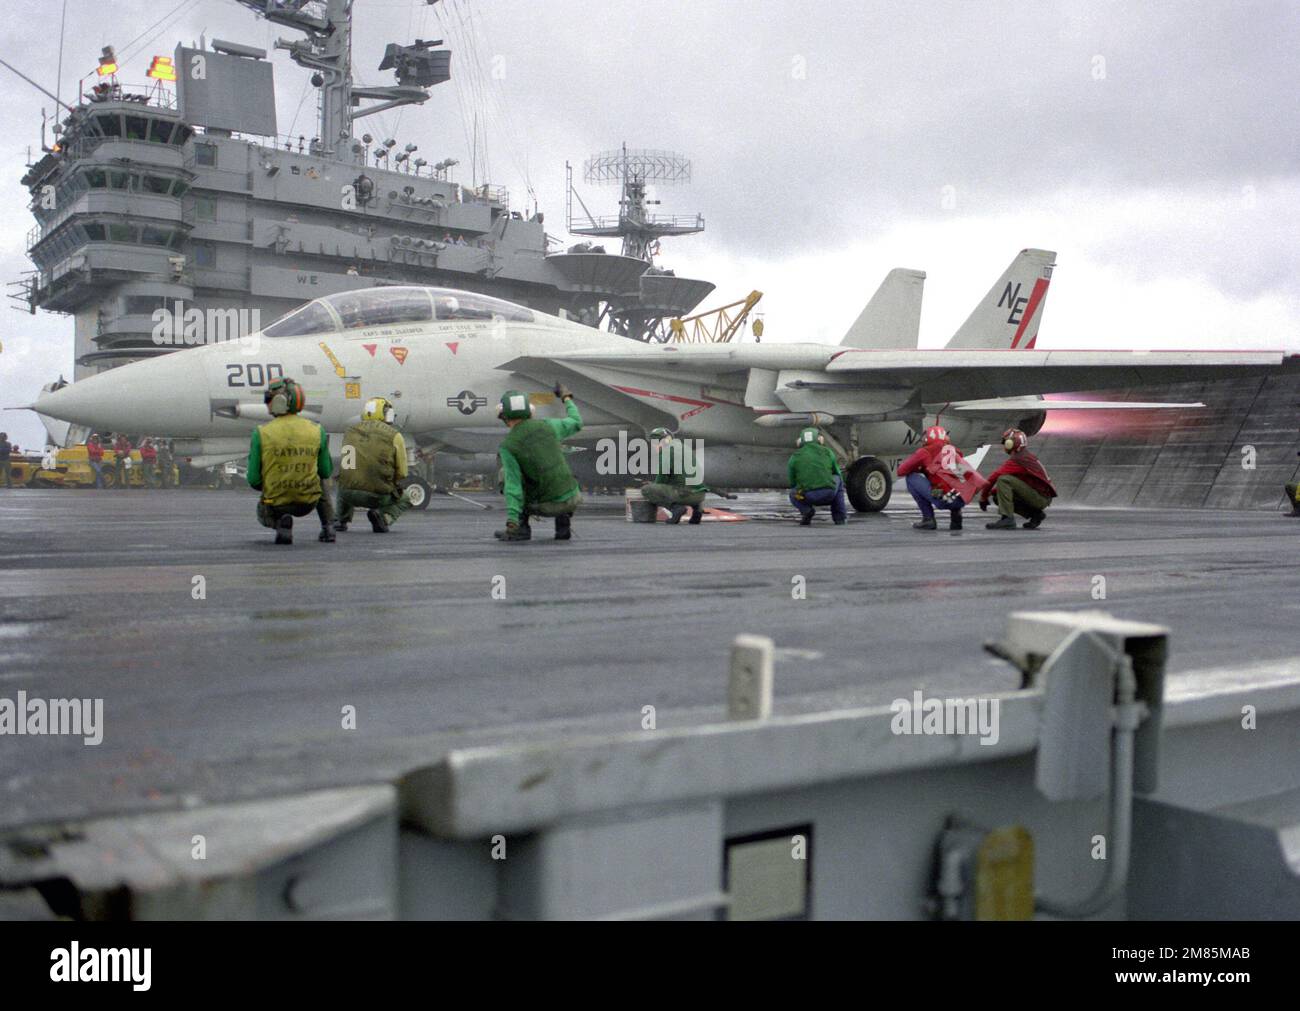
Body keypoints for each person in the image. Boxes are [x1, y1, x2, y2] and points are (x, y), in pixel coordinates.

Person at [246, 377, 335, 544]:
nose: (267, 404)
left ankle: (280, 523)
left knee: (264, 505)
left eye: (268, 399)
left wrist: (271, 484)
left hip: (276, 503)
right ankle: (328, 527)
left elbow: (253, 479)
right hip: (308, 503)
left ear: (279, 401)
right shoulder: (317, 430)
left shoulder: (261, 432)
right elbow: (325, 471)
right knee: (319, 481)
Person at [495, 384, 582, 542]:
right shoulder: (549, 425)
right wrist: (566, 398)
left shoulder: (508, 446)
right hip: (572, 500)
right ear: (530, 410)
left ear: (504, 416)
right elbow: (577, 422)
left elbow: (513, 487)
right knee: (558, 465)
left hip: (544, 506)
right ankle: (563, 526)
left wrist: (512, 521)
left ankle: (520, 529)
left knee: (504, 474)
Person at [335, 397, 411, 533]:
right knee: (406, 497)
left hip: (348, 494)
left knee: (345, 482)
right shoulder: (395, 435)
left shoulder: (350, 431)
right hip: (376, 496)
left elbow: (345, 467)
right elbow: (403, 473)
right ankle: (384, 519)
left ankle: (339, 520)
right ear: (384, 413)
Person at [897, 425, 984, 531]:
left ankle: (928, 519)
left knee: (911, 478)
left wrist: (919, 468)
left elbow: (901, 471)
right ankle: (956, 516)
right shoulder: (954, 451)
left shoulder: (925, 452)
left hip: (943, 499)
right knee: (953, 482)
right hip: (961, 500)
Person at [979, 428, 1058, 530]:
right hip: (1041, 497)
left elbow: (994, 477)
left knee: (1003, 479)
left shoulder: (1018, 459)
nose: (1004, 445)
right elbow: (1022, 482)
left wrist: (983, 497)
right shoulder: (1023, 456)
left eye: (1005, 442)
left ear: (1011, 443)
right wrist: (993, 492)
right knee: (997, 495)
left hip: (1040, 498)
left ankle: (1007, 519)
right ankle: (1036, 515)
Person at [640, 427, 707, 524]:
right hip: (700, 496)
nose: (654, 446)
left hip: (684, 495)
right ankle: (697, 511)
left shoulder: (666, 452)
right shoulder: (685, 448)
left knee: (646, 490)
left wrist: (654, 486)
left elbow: (662, 477)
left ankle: (675, 509)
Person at [787, 427, 847, 525]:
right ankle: (839, 518)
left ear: (800, 441)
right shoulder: (828, 452)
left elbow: (792, 482)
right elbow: (837, 472)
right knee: (838, 479)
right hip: (828, 493)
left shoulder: (794, 457)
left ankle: (807, 511)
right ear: (819, 439)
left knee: (793, 494)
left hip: (807, 496)